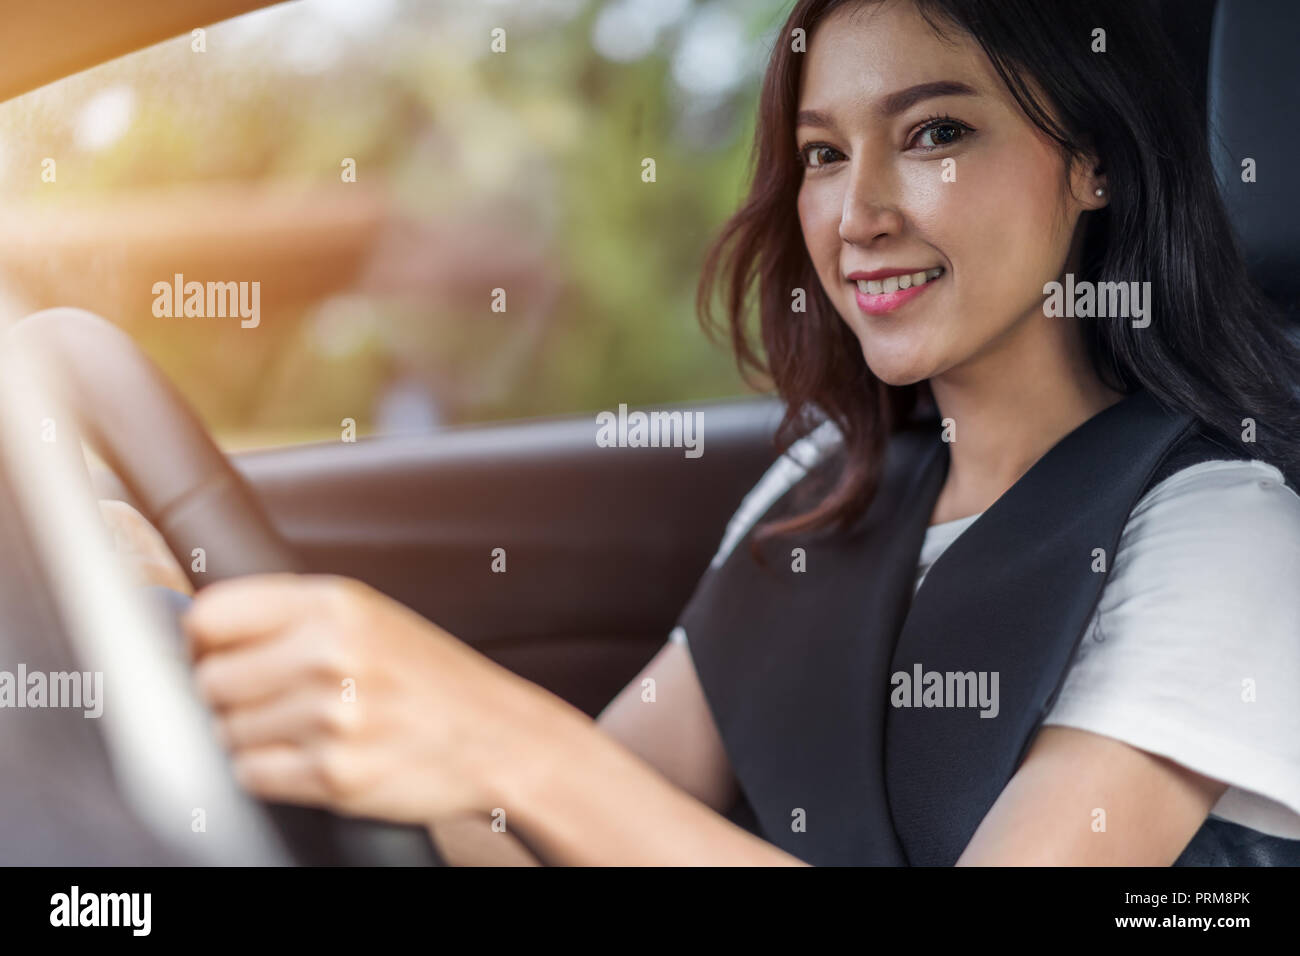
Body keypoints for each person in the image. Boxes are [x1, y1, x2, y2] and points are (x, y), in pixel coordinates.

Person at [108, 0, 1300, 865]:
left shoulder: (1224, 529)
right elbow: (553, 841)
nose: (856, 212)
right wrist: (220, 666)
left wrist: (497, 733)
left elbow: (559, 786)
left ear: (1091, 166)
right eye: (824, 154)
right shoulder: (825, 481)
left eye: (935, 133)